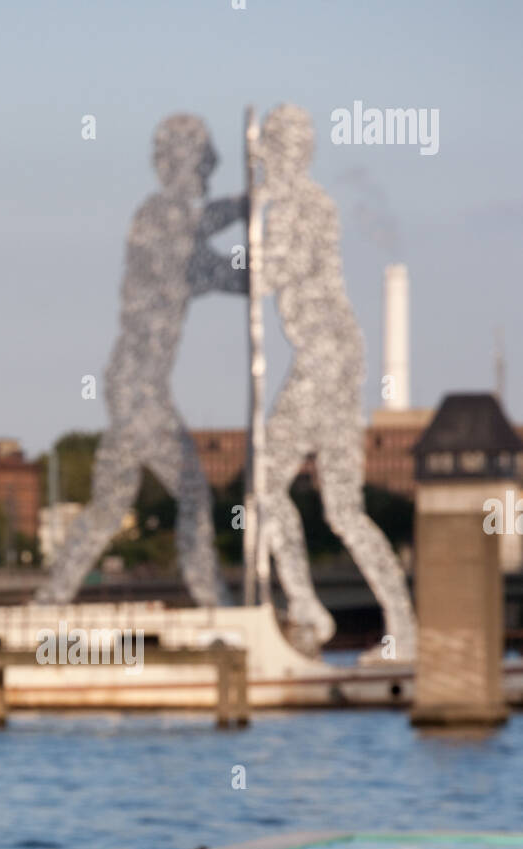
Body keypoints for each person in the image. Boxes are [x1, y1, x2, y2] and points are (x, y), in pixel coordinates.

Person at [36, 113, 247, 607]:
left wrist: (248, 214)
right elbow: (210, 264)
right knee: (194, 493)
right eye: (194, 163)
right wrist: (252, 223)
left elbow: (209, 243)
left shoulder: (170, 218)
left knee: (109, 507)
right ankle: (215, 604)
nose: (200, 174)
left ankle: (49, 600)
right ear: (171, 165)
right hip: (139, 384)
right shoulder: (159, 218)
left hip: (134, 380)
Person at [259, 104, 417, 659]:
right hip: (338, 356)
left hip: (324, 357)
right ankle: (400, 625)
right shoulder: (308, 203)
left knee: (264, 481)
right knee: (343, 509)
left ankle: (308, 606)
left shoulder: (297, 205)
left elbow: (266, 272)